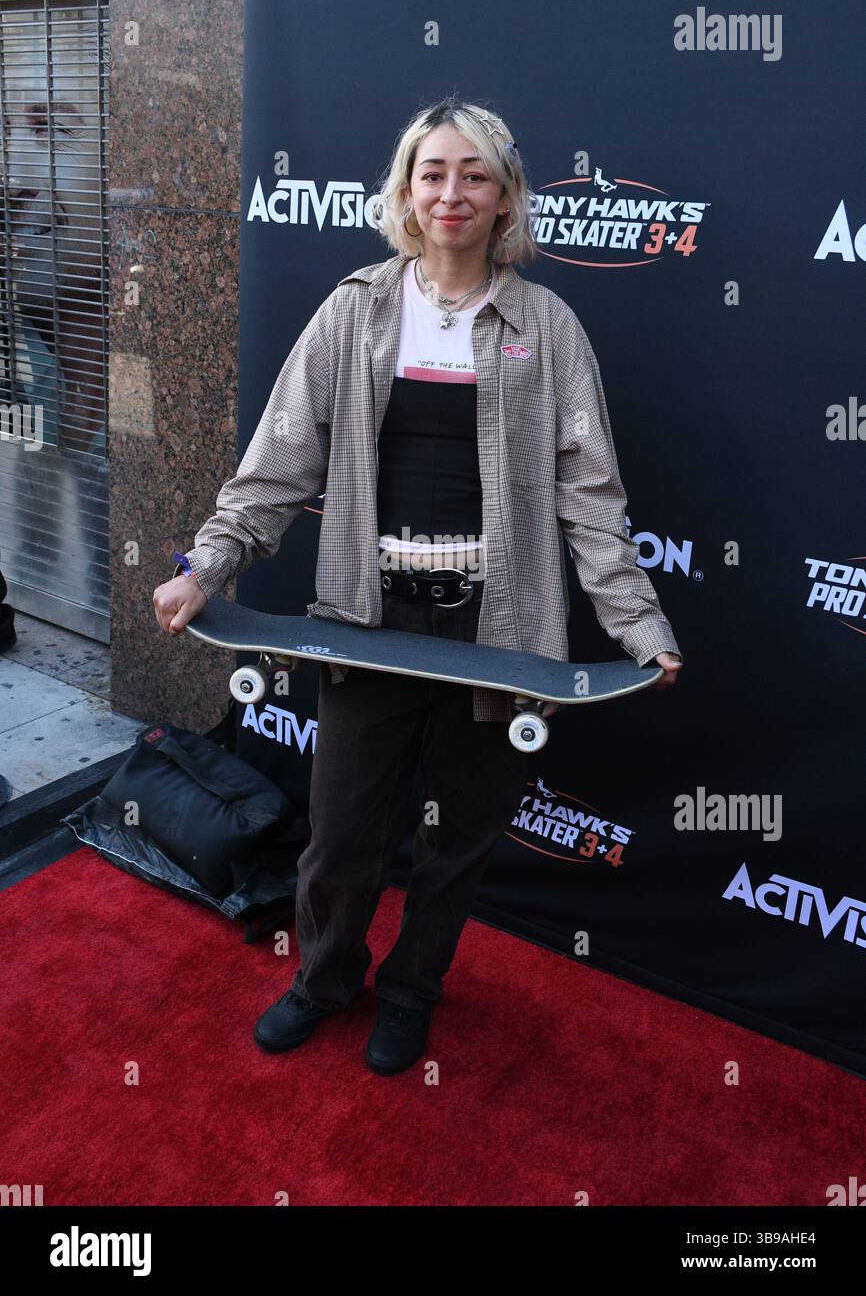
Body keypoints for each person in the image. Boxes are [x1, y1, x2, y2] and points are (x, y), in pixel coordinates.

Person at [152, 96, 683, 1076]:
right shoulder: (355, 309)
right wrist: (206, 566)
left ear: (504, 196)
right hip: (367, 623)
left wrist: (637, 625)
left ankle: (410, 991)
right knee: (342, 838)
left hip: (497, 629)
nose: (450, 191)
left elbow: (589, 494)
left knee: (454, 846)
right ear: (404, 190)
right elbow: (274, 467)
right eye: (432, 172)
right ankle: (323, 980)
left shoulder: (547, 327)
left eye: (473, 174)